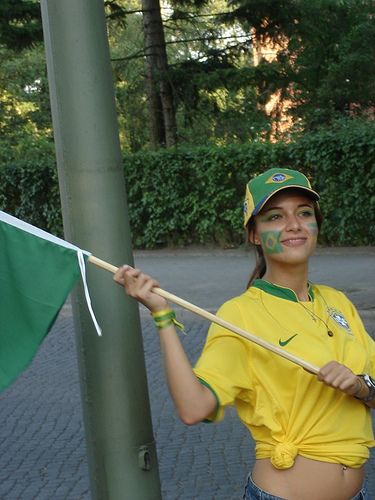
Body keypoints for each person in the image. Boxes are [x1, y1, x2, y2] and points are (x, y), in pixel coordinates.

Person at [114, 167, 375, 500]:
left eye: (304, 213)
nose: (294, 225)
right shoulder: (241, 314)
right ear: (254, 234)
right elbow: (194, 408)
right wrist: (162, 314)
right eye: (275, 217)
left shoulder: (338, 302)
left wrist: (359, 386)